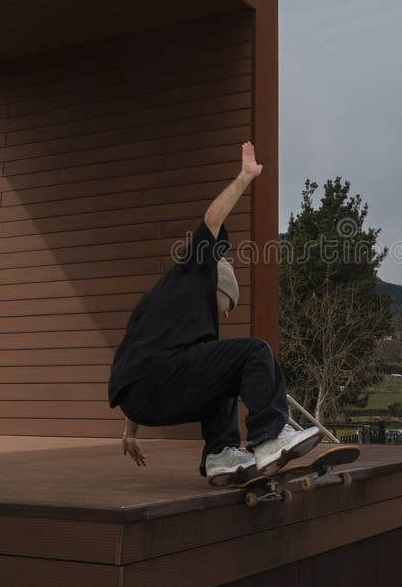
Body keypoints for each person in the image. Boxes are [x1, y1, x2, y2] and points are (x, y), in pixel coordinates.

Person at [107, 141, 322, 485]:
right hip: (163, 380)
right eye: (228, 305)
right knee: (254, 351)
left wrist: (129, 430)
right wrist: (245, 177)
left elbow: (137, 363)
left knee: (220, 374)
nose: (224, 315)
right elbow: (212, 219)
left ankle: (220, 456)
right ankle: (270, 438)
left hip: (141, 401)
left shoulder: (156, 307)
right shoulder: (196, 271)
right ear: (220, 288)